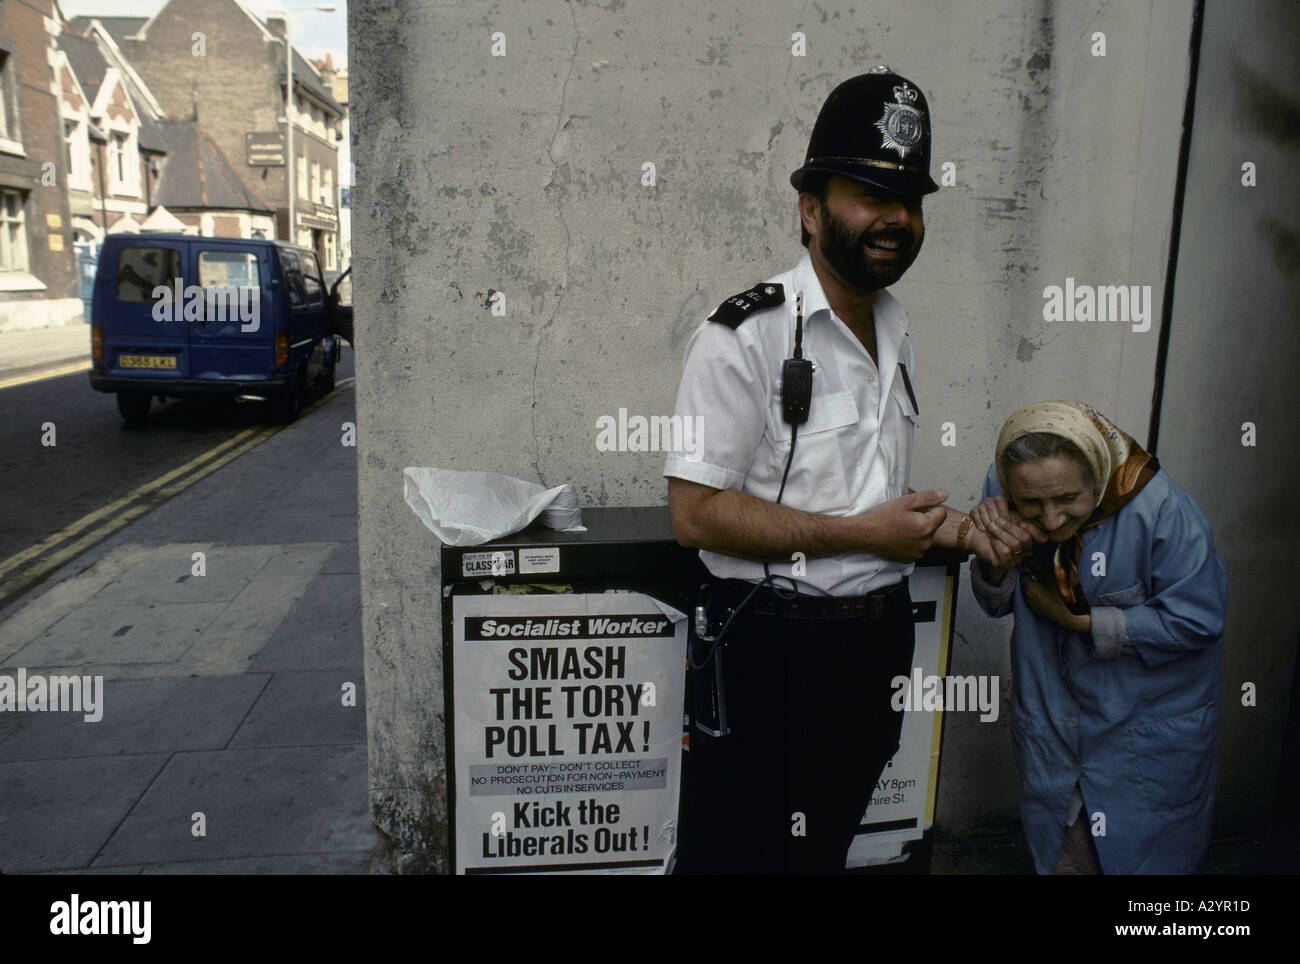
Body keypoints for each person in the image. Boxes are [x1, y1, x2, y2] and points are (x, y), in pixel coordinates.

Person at [663, 69, 1009, 874]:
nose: (896, 218)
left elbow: (869, 499)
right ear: (811, 209)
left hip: (873, 651)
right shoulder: (741, 337)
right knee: (736, 860)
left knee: (821, 855)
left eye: (911, 199)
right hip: (770, 652)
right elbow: (697, 514)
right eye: (869, 194)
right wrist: (862, 536)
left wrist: (966, 531)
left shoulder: (896, 329)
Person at [969, 400, 1227, 874]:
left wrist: (1077, 622)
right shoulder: (1003, 488)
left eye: (1068, 499)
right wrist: (993, 555)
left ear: (1098, 474)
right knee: (1065, 858)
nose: (1050, 520)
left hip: (1143, 737)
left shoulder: (1160, 508)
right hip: (1052, 723)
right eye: (1033, 504)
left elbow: (1199, 619)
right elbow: (994, 601)